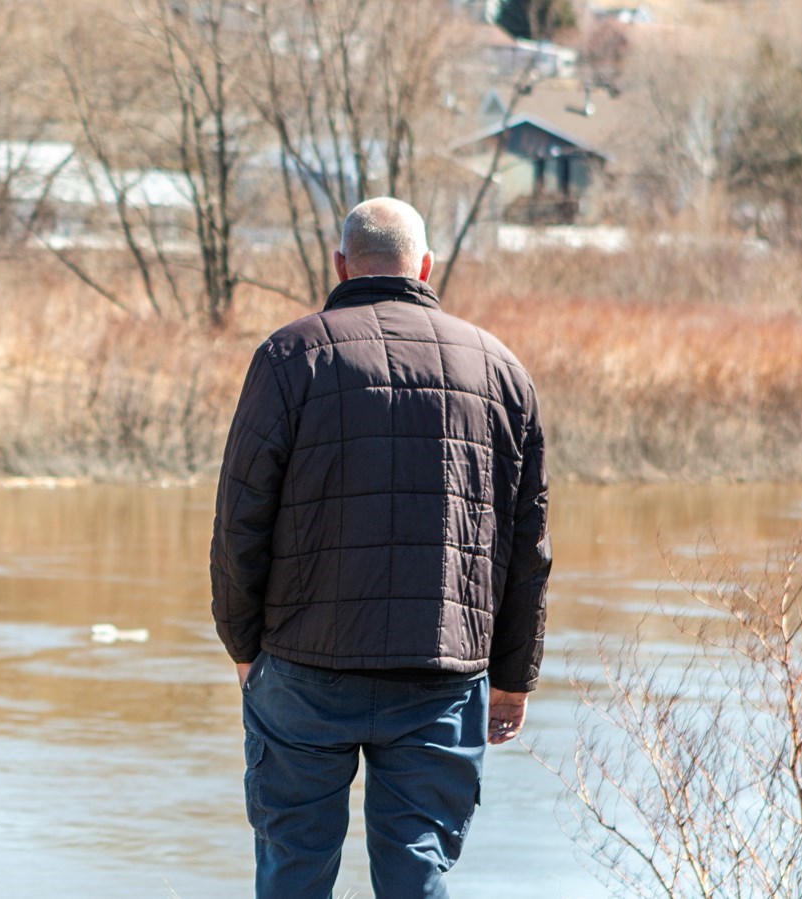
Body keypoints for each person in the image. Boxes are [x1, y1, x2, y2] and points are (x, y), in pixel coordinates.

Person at [210, 197, 551, 898]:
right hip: (442, 670)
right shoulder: (500, 369)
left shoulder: (288, 356)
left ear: (340, 265)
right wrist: (514, 676)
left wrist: (245, 647)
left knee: (293, 870)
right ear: (425, 266)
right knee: (418, 870)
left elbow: (239, 521)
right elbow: (528, 545)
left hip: (304, 663)